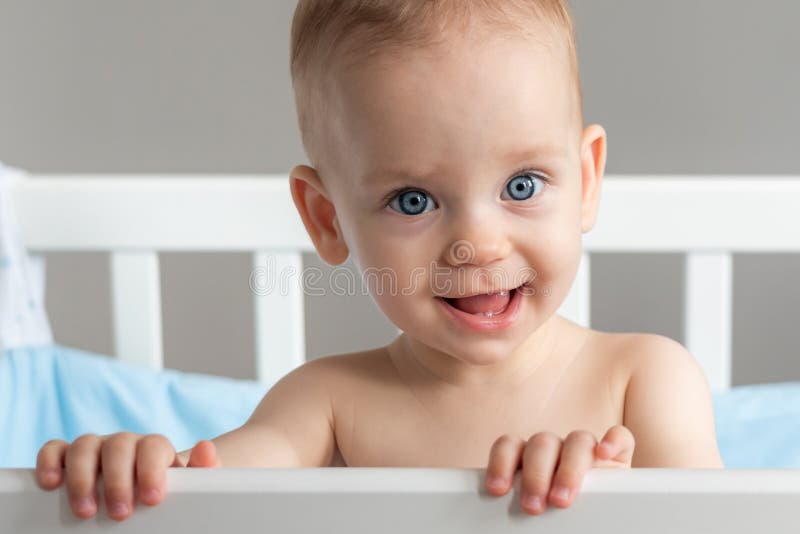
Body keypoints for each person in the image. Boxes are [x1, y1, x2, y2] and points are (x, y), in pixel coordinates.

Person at [35, 0, 724, 521]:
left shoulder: (642, 382)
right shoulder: (328, 405)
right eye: (413, 200)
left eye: (522, 186)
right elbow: (209, 489)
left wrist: (620, 508)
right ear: (327, 218)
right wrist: (137, 471)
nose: (479, 244)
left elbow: (723, 523)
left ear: (586, 180)